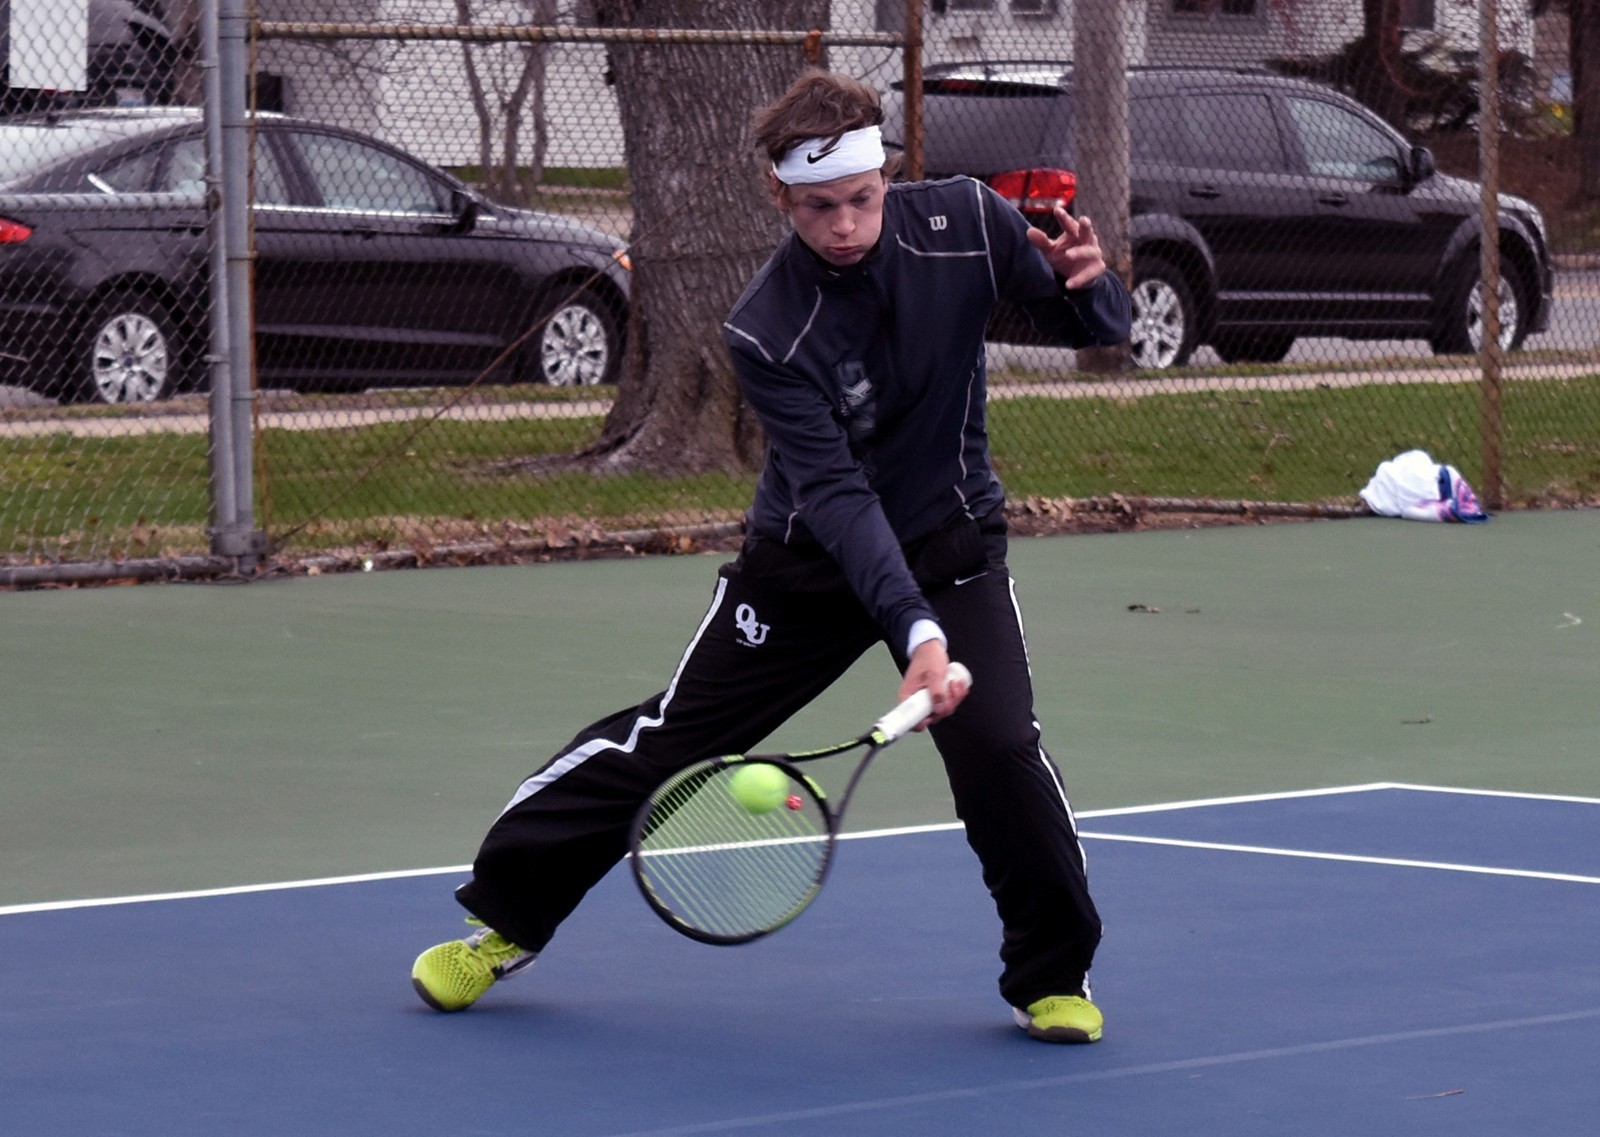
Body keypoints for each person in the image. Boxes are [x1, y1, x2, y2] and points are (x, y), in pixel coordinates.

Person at [411, 69, 1132, 1044]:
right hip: (806, 569)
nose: (843, 224)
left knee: (1001, 750)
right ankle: (502, 922)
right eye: (818, 207)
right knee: (673, 746)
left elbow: (1078, 322)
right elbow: (836, 496)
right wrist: (911, 630)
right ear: (778, 197)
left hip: (952, 547)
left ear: (889, 175)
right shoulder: (766, 326)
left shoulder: (969, 220)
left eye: (861, 199)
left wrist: (1094, 293)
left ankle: (1050, 976)